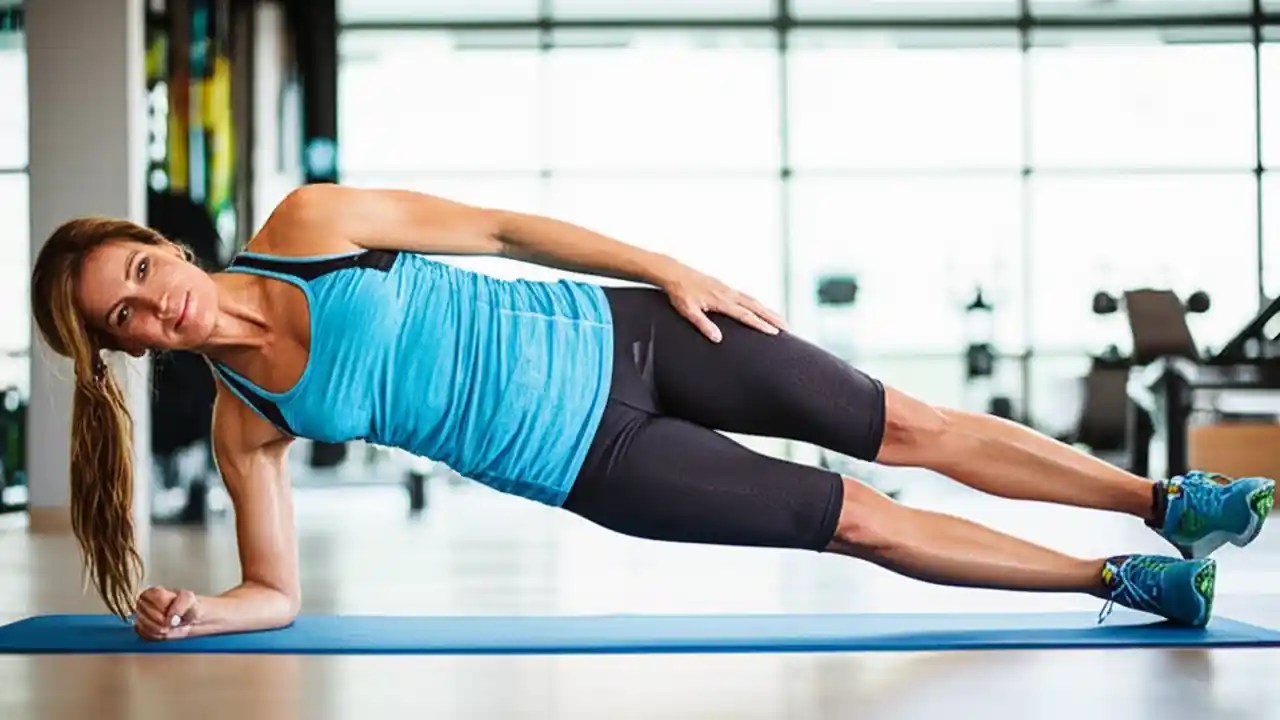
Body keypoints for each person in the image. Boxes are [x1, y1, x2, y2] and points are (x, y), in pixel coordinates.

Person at [30, 184, 1274, 641]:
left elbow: (506, 229)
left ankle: (1169, 503)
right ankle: (1117, 579)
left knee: (909, 427)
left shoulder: (308, 227)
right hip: (598, 460)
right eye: (123, 323)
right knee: (856, 518)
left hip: (629, 331)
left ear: (161, 246)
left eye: (142, 275)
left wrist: (665, 270)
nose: (156, 311)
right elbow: (279, 591)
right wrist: (202, 612)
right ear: (123, 354)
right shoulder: (250, 424)